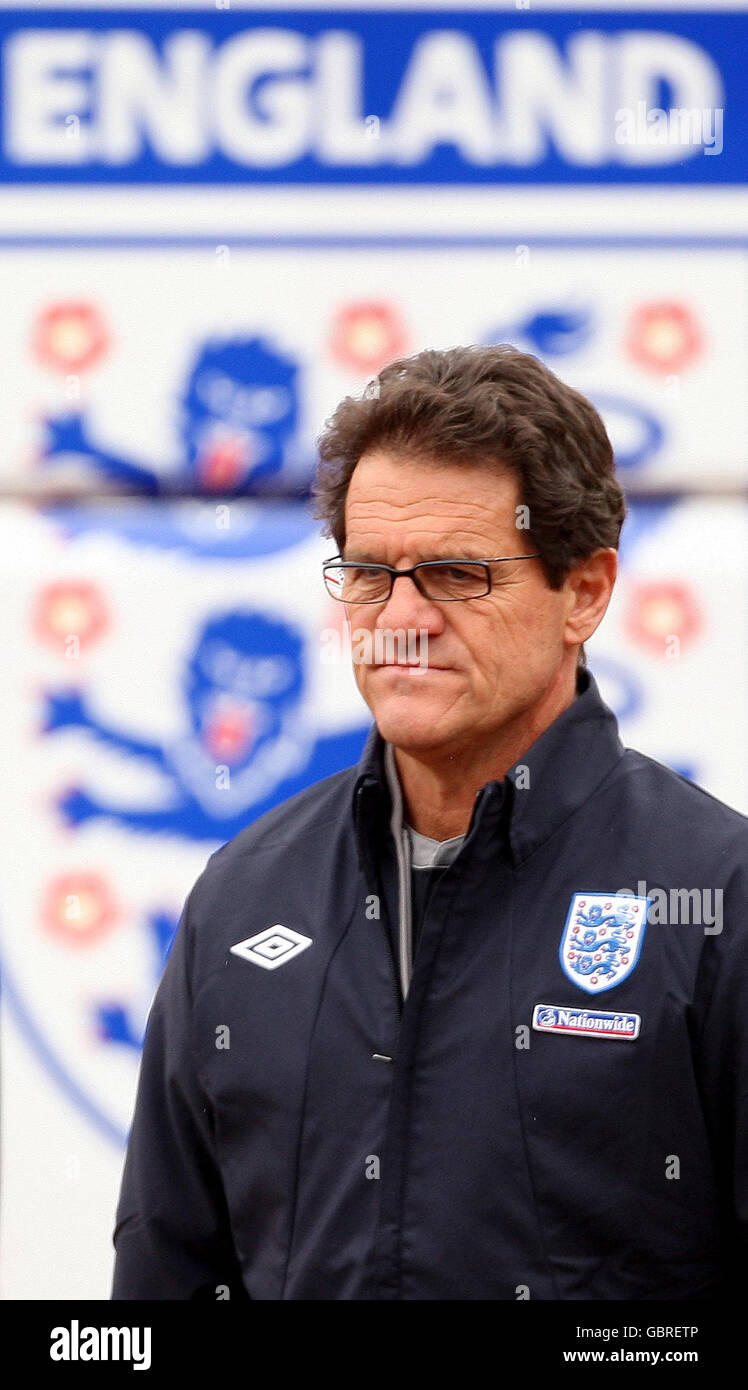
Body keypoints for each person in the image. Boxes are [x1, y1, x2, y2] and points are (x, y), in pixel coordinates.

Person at [111, 344, 748, 1300]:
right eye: (371, 572)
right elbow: (162, 1287)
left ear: (585, 591)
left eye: (456, 574)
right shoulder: (244, 897)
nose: (401, 616)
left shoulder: (717, 895)